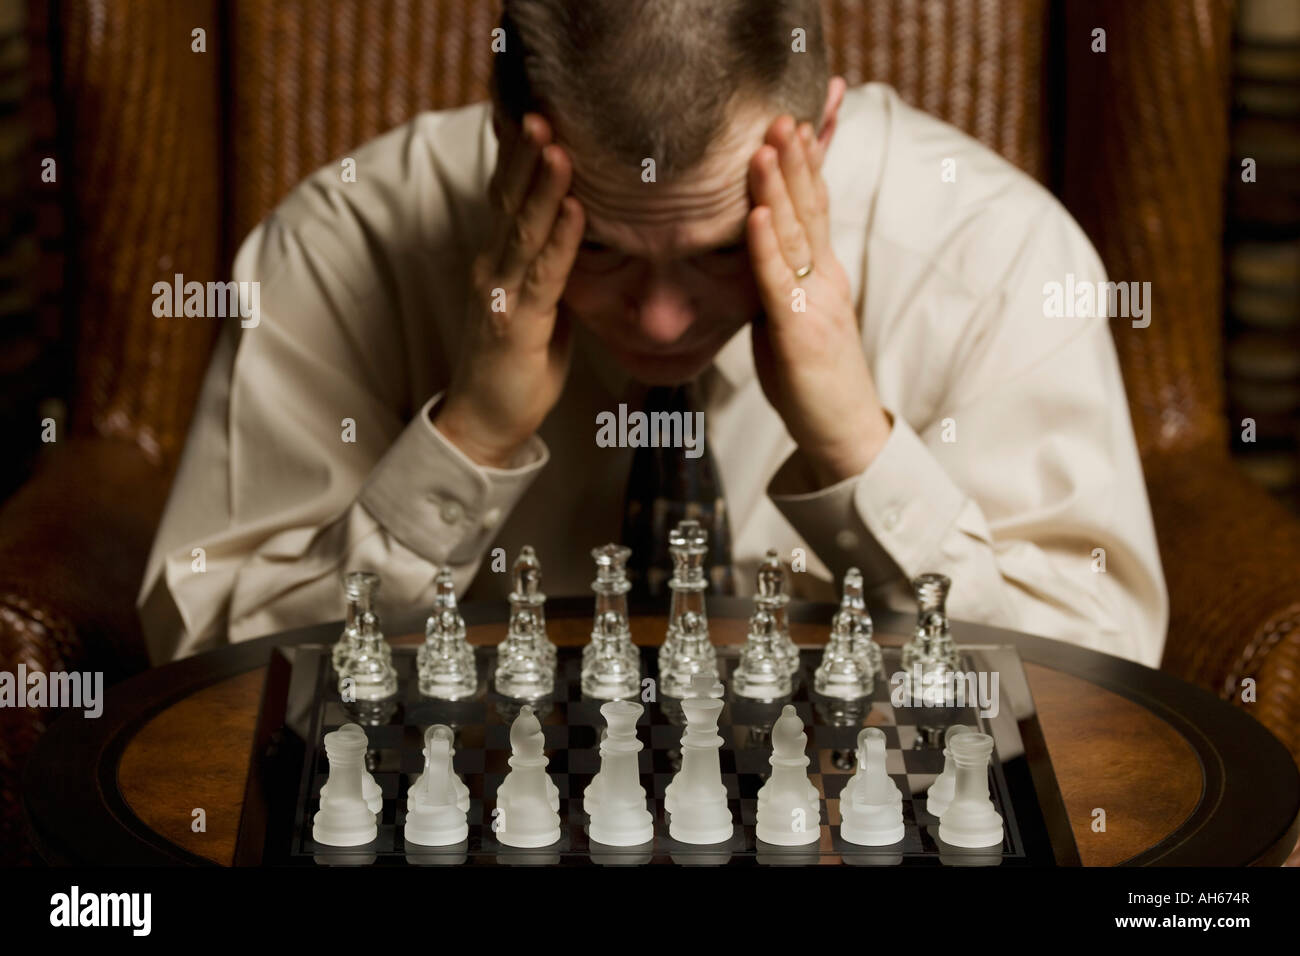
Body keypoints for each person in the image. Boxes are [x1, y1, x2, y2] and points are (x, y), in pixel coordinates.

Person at [138, 0, 1168, 667]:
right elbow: (204, 679)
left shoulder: (994, 252)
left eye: (722, 250)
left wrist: (858, 444)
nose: (664, 319)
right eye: (599, 252)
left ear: (823, 135)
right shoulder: (339, 245)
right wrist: (466, 439)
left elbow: (1099, 693)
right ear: (507, 144)